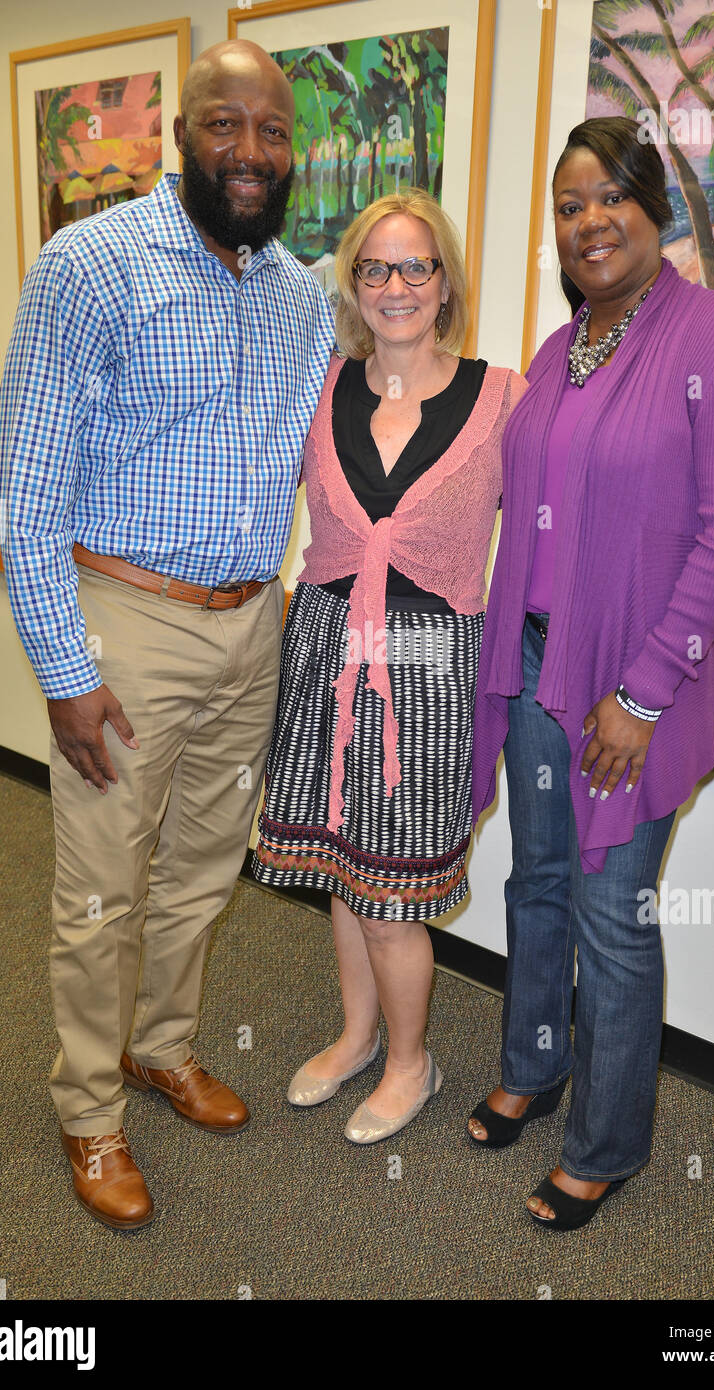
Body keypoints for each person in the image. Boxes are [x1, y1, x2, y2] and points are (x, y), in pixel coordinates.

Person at [0, 40, 335, 1229]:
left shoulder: (300, 294)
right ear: (183, 134)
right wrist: (63, 669)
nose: (250, 150)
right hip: (125, 626)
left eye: (273, 131)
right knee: (101, 891)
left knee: (197, 876)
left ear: (295, 151)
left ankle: (163, 1048)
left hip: (252, 629)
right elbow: (25, 487)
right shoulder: (91, 266)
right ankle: (89, 1110)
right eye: (226, 124)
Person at [469, 117, 714, 1229]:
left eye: (611, 195)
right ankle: (536, 1062)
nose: (589, 219)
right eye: (569, 203)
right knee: (537, 884)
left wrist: (645, 693)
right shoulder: (560, 352)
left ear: (652, 206)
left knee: (611, 913)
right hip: (542, 669)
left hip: (632, 689)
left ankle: (605, 1142)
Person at [253, 190, 526, 1142]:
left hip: (428, 666)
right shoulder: (327, 385)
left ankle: (412, 1063)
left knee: (392, 891)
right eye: (375, 268)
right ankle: (358, 1035)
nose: (395, 286)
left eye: (415, 267)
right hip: (327, 647)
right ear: (354, 285)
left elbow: (543, 533)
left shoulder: (501, 396)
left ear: (444, 281)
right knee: (342, 871)